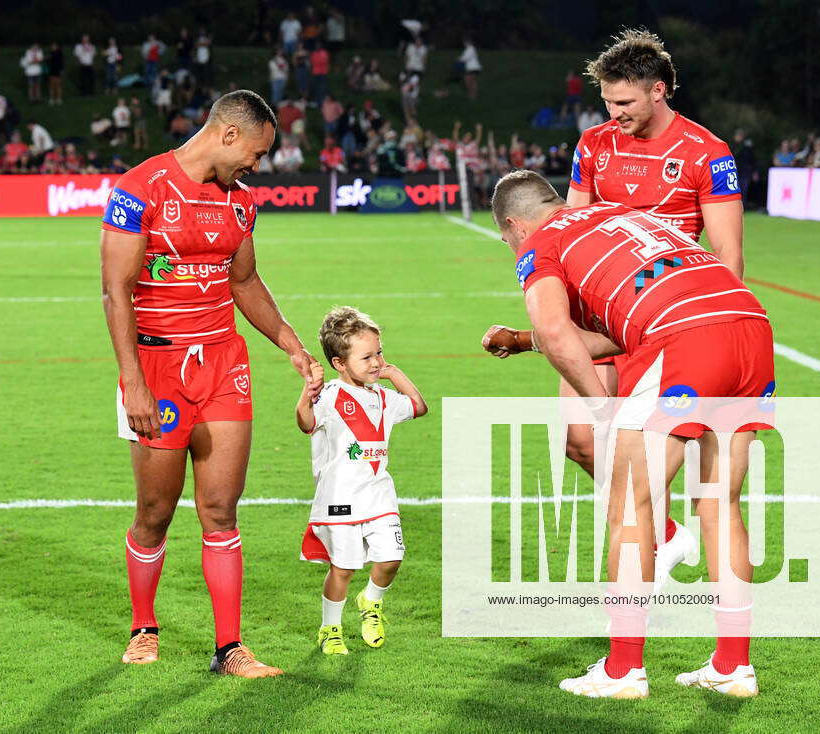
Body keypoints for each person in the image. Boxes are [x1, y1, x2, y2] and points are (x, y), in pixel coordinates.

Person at [484, 169, 770, 699]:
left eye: (505, 239)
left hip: (685, 340)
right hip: (747, 323)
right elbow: (618, 329)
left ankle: (623, 672)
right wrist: (525, 342)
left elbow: (555, 327)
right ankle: (734, 666)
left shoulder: (541, 241)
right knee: (719, 503)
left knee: (630, 505)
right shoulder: (625, 214)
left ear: (513, 225)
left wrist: (601, 407)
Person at [100, 89, 321, 677]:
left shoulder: (241, 202)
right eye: (256, 151)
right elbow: (115, 291)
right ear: (227, 134)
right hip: (156, 367)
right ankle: (144, 628)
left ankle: (230, 648)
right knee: (155, 510)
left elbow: (245, 282)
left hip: (224, 361)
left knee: (221, 508)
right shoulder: (140, 188)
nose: (258, 164)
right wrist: (132, 382)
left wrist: (291, 343)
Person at [563, 28, 745, 575]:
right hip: (601, 317)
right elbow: (573, 226)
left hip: (669, 323)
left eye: (624, 102)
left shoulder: (706, 153)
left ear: (659, 91)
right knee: (581, 443)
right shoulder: (594, 144)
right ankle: (667, 535)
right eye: (607, 102)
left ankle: (649, 548)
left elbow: (728, 254)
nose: (613, 112)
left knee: (650, 456)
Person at [297, 306, 427, 655]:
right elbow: (306, 421)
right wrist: (307, 391)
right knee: (343, 568)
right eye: (367, 356)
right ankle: (330, 628)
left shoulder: (384, 398)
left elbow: (418, 406)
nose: (375, 362)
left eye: (379, 353)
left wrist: (393, 373)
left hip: (379, 494)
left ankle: (371, 601)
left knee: (392, 559)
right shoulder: (329, 397)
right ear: (340, 364)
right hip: (339, 498)